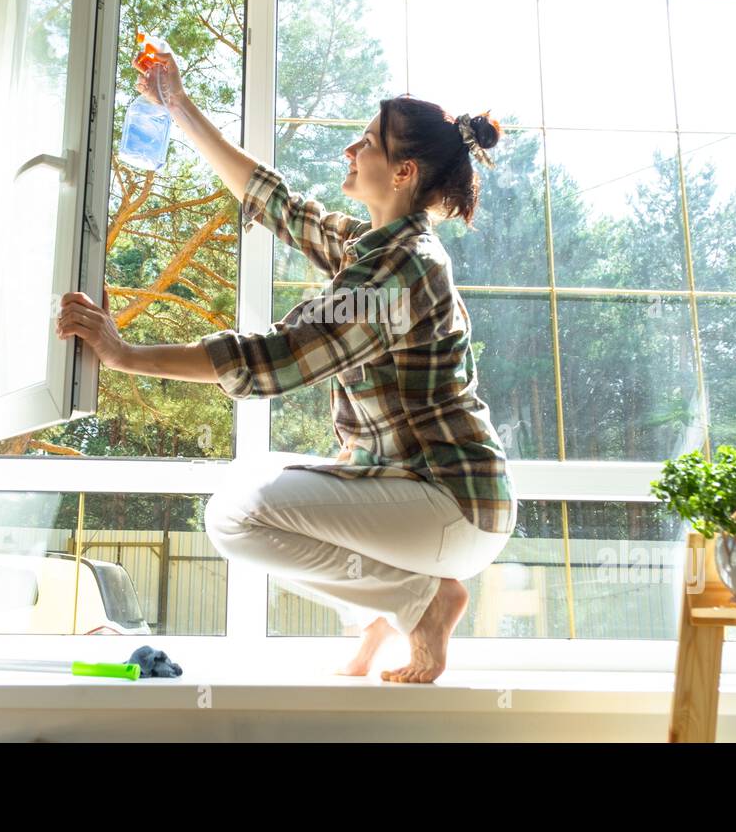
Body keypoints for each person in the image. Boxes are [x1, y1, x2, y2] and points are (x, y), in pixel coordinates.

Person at [56, 47, 516, 684]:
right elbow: (277, 204)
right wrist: (178, 107)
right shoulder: (374, 246)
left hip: (451, 504)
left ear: (404, 170)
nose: (350, 152)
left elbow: (273, 361)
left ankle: (419, 601)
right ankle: (392, 613)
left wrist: (124, 354)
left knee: (234, 514)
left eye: (366, 144)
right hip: (434, 497)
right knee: (261, 475)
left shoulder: (399, 268)